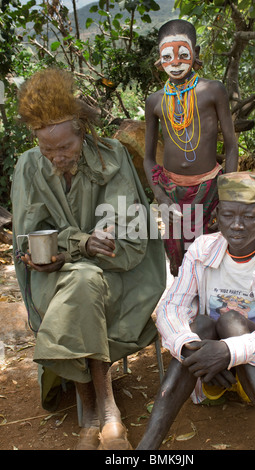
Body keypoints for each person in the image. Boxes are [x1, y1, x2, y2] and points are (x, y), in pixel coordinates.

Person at [11, 68, 166, 450]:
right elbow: (26, 238)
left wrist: (82, 248)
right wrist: (70, 247)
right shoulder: (29, 166)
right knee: (80, 282)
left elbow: (128, 243)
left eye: (64, 148)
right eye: (47, 150)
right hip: (52, 279)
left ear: (82, 130)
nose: (55, 158)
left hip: (121, 275)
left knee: (85, 282)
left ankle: (93, 415)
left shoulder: (112, 158)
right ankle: (106, 412)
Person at [137, 171, 255, 450]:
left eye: (249, 217)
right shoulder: (202, 249)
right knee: (197, 326)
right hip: (211, 371)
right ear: (216, 216)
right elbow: (171, 307)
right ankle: (147, 447)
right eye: (228, 216)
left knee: (232, 321)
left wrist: (229, 352)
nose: (237, 226)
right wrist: (189, 349)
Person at [144, 19, 238, 276]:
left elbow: (231, 146)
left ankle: (209, 306)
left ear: (195, 54)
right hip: (171, 191)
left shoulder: (213, 91)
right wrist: (161, 198)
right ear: (159, 59)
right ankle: (184, 303)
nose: (175, 62)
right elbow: (149, 160)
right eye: (167, 56)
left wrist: (226, 194)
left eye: (183, 54)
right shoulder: (155, 101)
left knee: (210, 250)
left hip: (210, 188)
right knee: (179, 253)